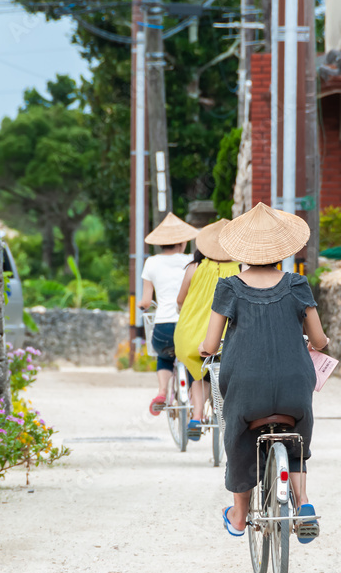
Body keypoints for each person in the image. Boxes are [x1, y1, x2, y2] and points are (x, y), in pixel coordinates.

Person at [199, 203, 329, 544]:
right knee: (298, 441)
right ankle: (302, 504)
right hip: (293, 389)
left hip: (246, 387)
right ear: (282, 251)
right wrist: (320, 340)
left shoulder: (228, 287)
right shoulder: (297, 284)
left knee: (238, 437)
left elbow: (211, 343)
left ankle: (240, 516)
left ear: (242, 252)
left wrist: (205, 349)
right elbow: (318, 339)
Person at [174, 219, 240, 440]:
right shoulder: (241, 269)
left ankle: (197, 416)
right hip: (228, 337)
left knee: (199, 371)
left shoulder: (194, 268)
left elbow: (181, 301)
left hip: (192, 334)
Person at [138, 212, 199, 415]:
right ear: (182, 242)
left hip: (163, 327)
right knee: (192, 359)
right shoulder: (192, 261)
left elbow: (146, 301)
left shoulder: (151, 263)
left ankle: (162, 392)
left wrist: (143, 305)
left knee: (164, 357)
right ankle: (193, 401)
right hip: (188, 325)